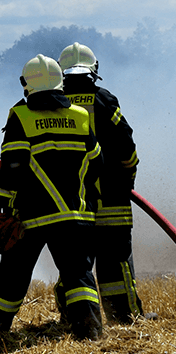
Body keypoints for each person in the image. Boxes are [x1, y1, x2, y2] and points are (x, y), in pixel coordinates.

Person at [0, 55, 104, 340]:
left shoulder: (21, 115)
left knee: (14, 272)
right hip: (75, 213)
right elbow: (96, 163)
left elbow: (14, 165)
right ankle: (89, 331)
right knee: (79, 274)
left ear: (26, 85)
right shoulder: (80, 116)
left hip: (33, 214)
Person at [56, 42, 152, 323]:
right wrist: (128, 176)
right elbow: (126, 147)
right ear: (93, 70)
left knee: (75, 264)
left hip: (70, 204)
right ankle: (124, 316)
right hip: (111, 199)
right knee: (116, 260)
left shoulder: (50, 104)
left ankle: (73, 316)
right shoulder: (104, 100)